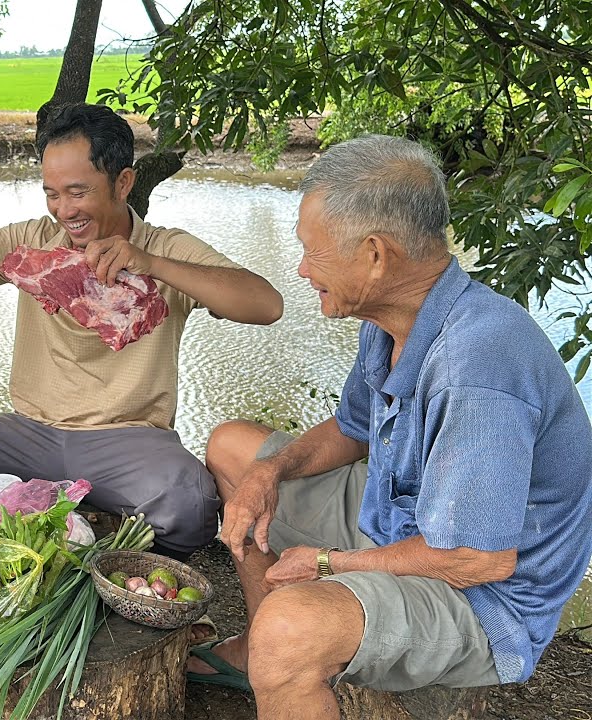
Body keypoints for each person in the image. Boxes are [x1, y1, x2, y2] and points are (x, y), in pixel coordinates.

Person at [188, 134, 592, 718]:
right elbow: (352, 428)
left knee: (290, 629)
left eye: (312, 252)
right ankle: (257, 653)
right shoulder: (392, 320)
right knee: (234, 449)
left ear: (376, 255)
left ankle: (277, 656)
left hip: (483, 598)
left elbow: (479, 560)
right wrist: (269, 471)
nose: (301, 270)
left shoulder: (476, 366)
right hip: (401, 518)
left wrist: (327, 563)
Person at [0, 102, 283, 563]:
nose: (63, 210)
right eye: (51, 194)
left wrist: (151, 264)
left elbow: (266, 305)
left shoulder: (166, 248)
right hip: (28, 435)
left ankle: (123, 570)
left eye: (77, 192)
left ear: (123, 182)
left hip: (127, 441)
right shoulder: (33, 241)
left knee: (190, 501)